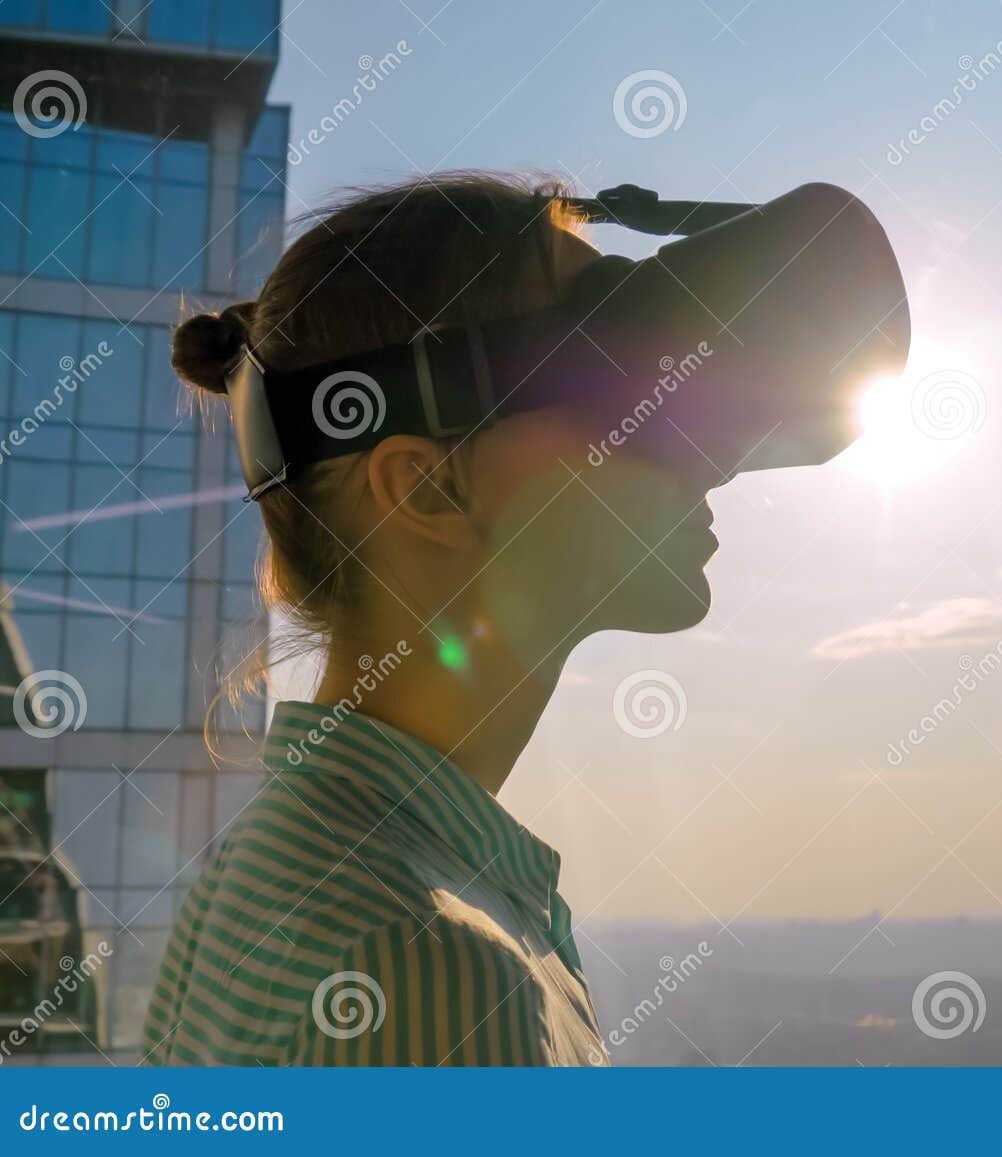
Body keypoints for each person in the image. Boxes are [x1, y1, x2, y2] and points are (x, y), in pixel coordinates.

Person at [142, 173, 722, 1065]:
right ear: (426, 484)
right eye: (607, 365)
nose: (690, 432)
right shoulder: (430, 968)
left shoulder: (268, 868)